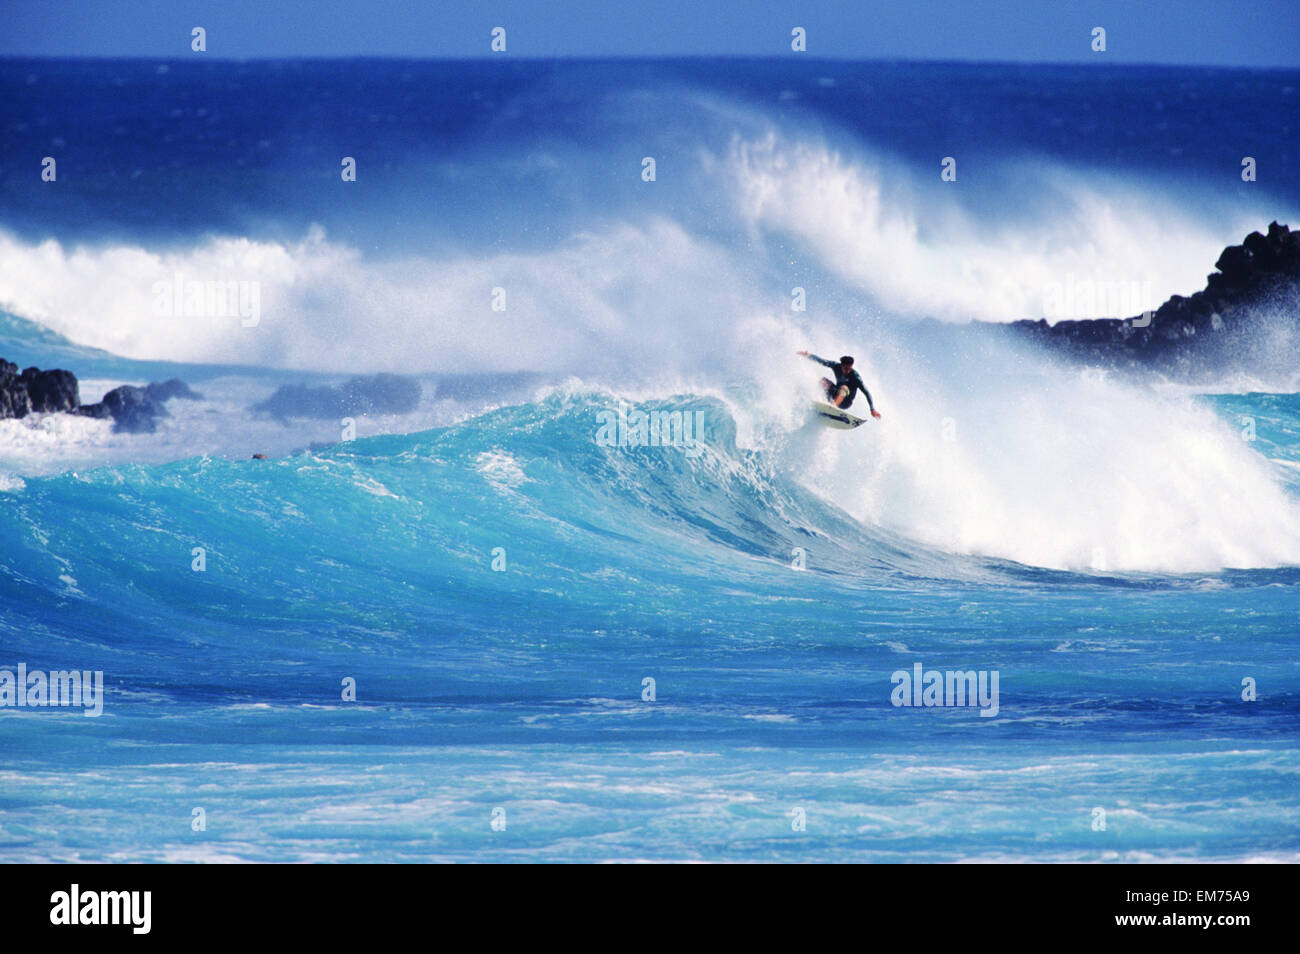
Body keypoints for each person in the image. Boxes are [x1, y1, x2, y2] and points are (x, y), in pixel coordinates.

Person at [797, 351, 881, 418]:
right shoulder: (836, 366)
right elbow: (822, 361)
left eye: (850, 368)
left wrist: (872, 409)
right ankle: (824, 404)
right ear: (841, 365)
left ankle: (832, 408)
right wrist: (809, 355)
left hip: (846, 402)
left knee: (844, 387)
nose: (847, 371)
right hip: (835, 395)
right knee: (823, 381)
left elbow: (866, 392)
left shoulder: (855, 377)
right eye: (845, 368)